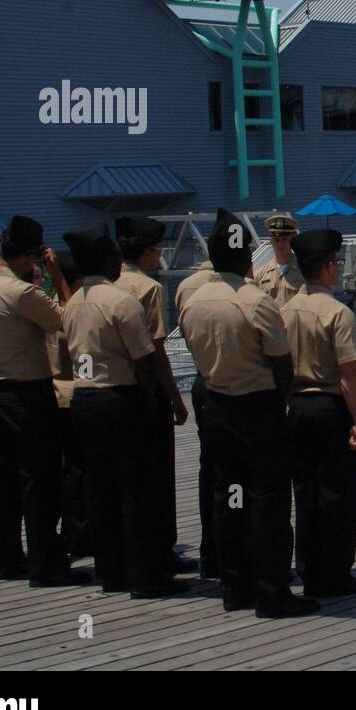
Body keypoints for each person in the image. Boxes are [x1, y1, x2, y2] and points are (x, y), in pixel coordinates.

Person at [179, 208, 317, 617]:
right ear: (245, 257)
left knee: (229, 497)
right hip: (257, 406)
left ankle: (234, 585)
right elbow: (281, 362)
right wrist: (277, 400)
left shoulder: (192, 300)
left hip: (216, 403)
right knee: (268, 499)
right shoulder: (256, 301)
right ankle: (272, 590)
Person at [62, 224, 188, 599]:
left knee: (99, 489)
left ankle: (110, 571)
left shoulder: (73, 303)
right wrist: (154, 400)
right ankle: (144, 575)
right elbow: (146, 358)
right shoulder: (121, 302)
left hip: (85, 399)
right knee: (136, 490)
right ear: (106, 261)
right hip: (120, 397)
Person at [0, 215, 87, 586]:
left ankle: (8, 556)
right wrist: (58, 276)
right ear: (28, 256)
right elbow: (69, 320)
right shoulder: (21, 293)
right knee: (40, 480)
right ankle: (46, 564)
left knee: (4, 477)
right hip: (29, 392)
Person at [282, 229, 356, 598]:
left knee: (304, 490)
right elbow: (348, 372)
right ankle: (334, 573)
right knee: (338, 492)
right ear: (330, 267)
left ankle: (307, 567)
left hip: (297, 405)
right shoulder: (338, 313)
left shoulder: (285, 310)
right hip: (330, 406)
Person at [115, 216, 194, 574]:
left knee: (123, 476)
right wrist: (175, 399)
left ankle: (124, 549)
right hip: (146, 389)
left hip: (113, 391)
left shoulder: (108, 282)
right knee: (156, 476)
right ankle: (160, 549)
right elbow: (157, 349)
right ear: (148, 251)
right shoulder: (149, 288)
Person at [176, 259, 219, 577]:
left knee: (210, 470)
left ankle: (211, 552)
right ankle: (235, 555)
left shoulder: (186, 288)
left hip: (203, 379)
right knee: (242, 478)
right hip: (240, 388)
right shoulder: (249, 291)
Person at [49, 259, 91, 558]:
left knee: (66, 469)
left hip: (52, 393)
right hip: (70, 393)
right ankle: (78, 534)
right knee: (78, 470)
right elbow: (72, 319)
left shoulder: (44, 306)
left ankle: (72, 532)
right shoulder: (68, 309)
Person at [254, 213, 304, 306]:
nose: (280, 245)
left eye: (284, 239)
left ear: (293, 240)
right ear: (271, 241)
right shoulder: (260, 275)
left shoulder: (305, 272)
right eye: (277, 240)